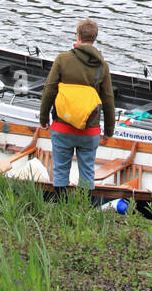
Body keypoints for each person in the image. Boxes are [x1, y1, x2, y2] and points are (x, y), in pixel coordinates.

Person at [39, 19, 116, 202]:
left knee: (60, 169)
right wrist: (109, 131)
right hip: (89, 130)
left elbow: (49, 90)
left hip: (62, 127)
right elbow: (108, 100)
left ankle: (61, 206)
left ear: (78, 36)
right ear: (94, 38)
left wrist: (44, 119)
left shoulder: (63, 59)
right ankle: (84, 209)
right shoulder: (102, 66)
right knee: (87, 170)